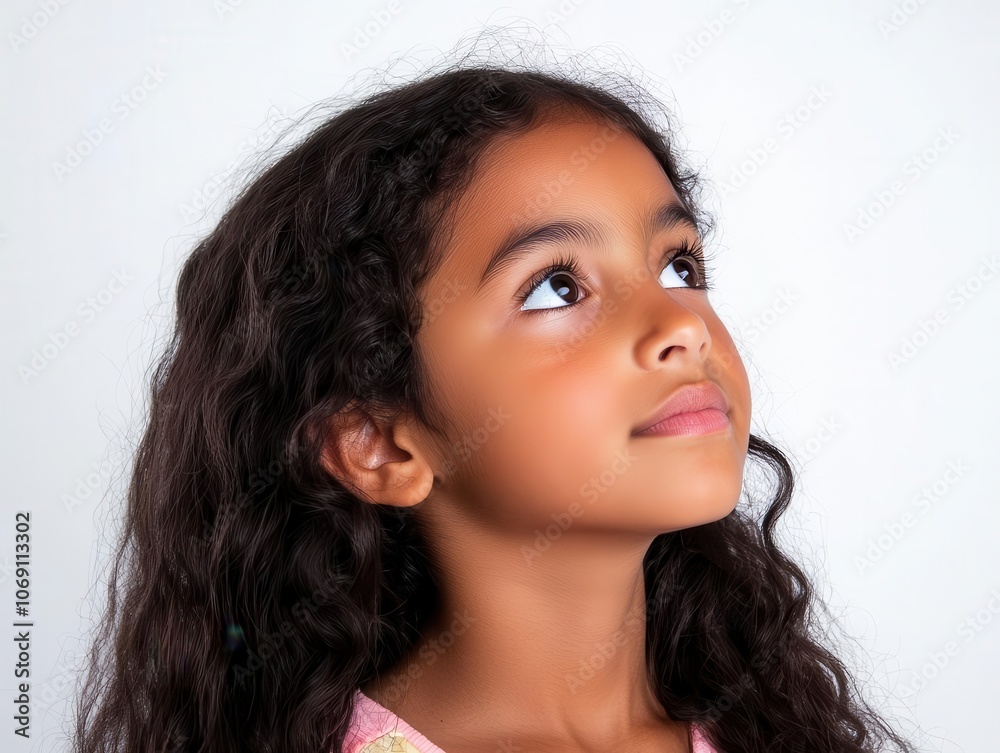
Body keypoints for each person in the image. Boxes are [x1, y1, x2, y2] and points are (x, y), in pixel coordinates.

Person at [70, 34, 919, 753]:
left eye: (678, 264)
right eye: (556, 286)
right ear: (381, 442)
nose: (682, 323)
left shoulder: (767, 726)